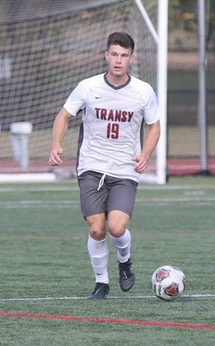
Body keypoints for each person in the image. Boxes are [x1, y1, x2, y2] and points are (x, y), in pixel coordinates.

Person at [48, 31, 161, 299]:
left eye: (124, 55)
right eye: (114, 54)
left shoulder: (143, 91)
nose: (118, 60)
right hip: (91, 167)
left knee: (116, 228)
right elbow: (63, 116)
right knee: (97, 229)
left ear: (132, 58)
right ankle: (101, 282)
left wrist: (145, 154)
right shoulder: (88, 87)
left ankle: (125, 261)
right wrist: (56, 144)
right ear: (106, 55)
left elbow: (154, 126)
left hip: (125, 169)